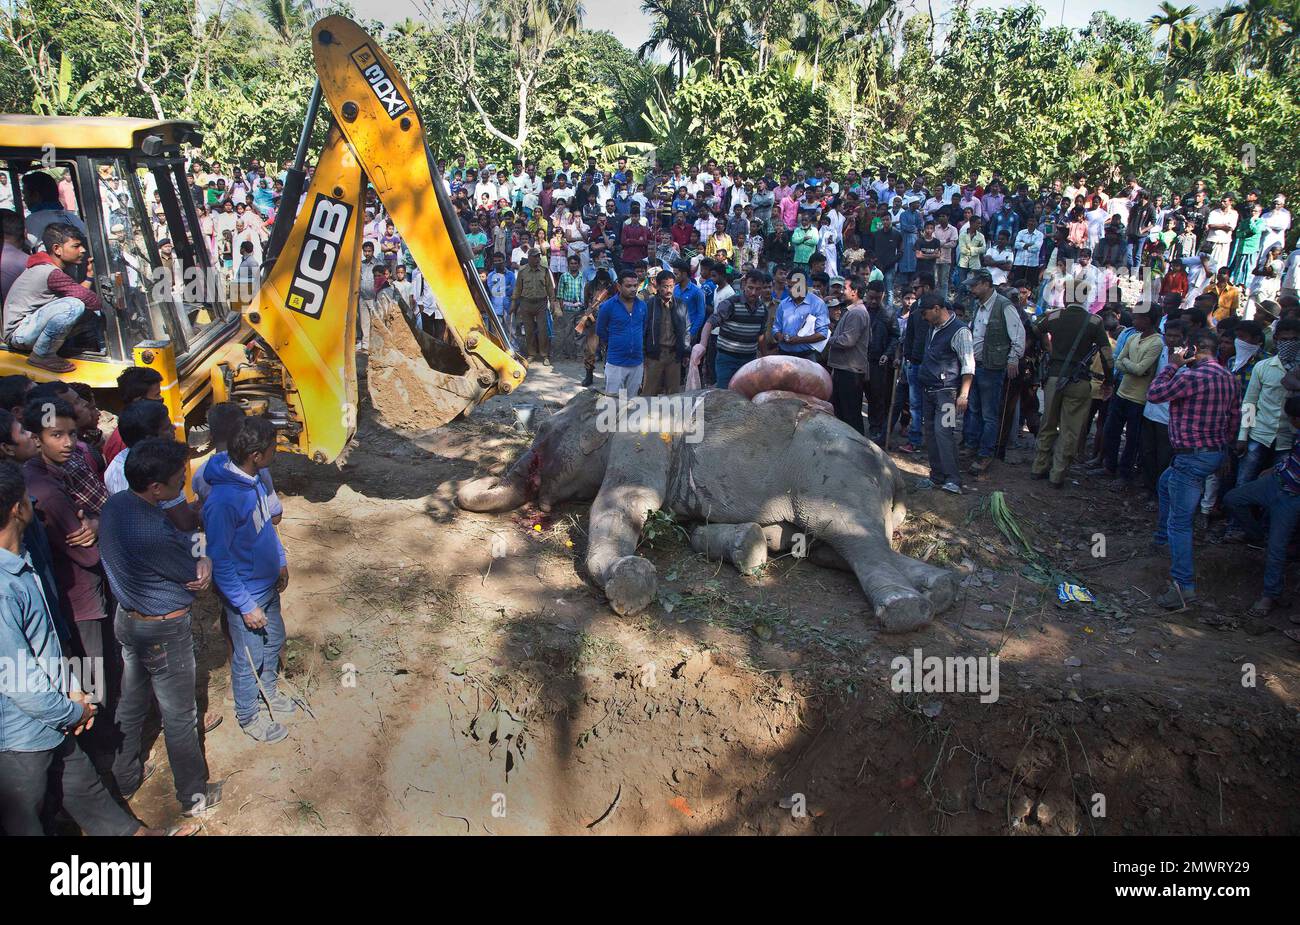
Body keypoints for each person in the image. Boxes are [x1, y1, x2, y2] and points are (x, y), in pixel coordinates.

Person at [0, 461, 196, 836]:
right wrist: (71, 710)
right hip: (20, 737)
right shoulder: (3, 588)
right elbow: (17, 678)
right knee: (25, 821)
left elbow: (40, 646)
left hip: (49, 719)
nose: (34, 504)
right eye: (28, 498)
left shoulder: (20, 562)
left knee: (85, 788)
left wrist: (71, 690)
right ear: (16, 509)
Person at [99, 438, 222, 815]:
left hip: (129, 622)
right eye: (177, 479)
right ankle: (193, 796)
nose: (182, 483)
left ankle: (125, 778)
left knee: (132, 702)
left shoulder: (118, 504)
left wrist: (192, 550)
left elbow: (181, 543)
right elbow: (192, 573)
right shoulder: (150, 529)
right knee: (180, 714)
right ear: (156, 487)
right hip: (164, 632)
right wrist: (205, 563)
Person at [203, 416, 294, 743]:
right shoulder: (224, 502)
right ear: (256, 454)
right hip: (248, 596)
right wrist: (244, 606)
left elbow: (266, 526)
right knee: (248, 657)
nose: (275, 452)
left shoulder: (253, 479)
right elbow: (220, 558)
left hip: (267, 586)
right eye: (272, 448)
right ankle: (249, 715)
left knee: (273, 639)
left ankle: (269, 692)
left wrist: (280, 561)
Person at [1146, 328, 1241, 609]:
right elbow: (1234, 419)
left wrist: (1172, 366)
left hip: (1191, 457)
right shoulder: (1228, 377)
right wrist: (1224, 453)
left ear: (1191, 350)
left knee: (1181, 522)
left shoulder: (1190, 376)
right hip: (1210, 453)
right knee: (1165, 483)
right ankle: (1162, 539)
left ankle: (1182, 586)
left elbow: (1155, 394)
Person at [1223, 396, 1300, 618]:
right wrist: (1243, 435)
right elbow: (1249, 403)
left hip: (1290, 491)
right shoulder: (1262, 368)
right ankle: (1257, 535)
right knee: (1234, 497)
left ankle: (1270, 594)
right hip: (1259, 440)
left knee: (1277, 548)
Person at [1032, 294, 1114, 488]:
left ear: (1066, 298)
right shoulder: (1094, 321)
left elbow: (1035, 328)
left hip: (1053, 378)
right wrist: (1108, 380)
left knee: (1048, 423)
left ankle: (1039, 466)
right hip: (1080, 380)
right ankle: (1057, 474)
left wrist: (1048, 347)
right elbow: (1107, 355)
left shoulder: (1054, 316)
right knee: (1070, 429)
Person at [3, 224, 105, 373]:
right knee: (73, 306)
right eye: (76, 246)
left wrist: (89, 277)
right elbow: (92, 301)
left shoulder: (49, 269)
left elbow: (81, 294)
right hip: (20, 333)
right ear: (57, 249)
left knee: (86, 311)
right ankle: (42, 355)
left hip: (27, 329)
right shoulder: (51, 273)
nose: (82, 250)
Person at [962, 270, 1025, 474]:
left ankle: (985, 453)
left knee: (989, 414)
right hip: (977, 364)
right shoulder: (979, 306)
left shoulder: (1004, 306)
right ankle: (973, 445)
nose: (971, 289)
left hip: (992, 367)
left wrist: (1013, 358)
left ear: (986, 284)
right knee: (975, 410)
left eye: (974, 285)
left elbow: (1018, 334)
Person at [914, 294, 974, 494]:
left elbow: (968, 365)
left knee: (944, 433)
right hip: (928, 391)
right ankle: (937, 476)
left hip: (947, 393)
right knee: (930, 433)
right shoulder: (933, 328)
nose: (924, 317)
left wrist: (963, 395)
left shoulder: (961, 331)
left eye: (925, 313)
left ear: (937, 308)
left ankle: (954, 480)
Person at [694, 270, 767, 389]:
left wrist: (765, 358)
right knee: (725, 393)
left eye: (758, 289)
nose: (753, 292)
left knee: (745, 393)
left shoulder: (763, 309)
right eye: (750, 288)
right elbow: (709, 323)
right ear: (744, 285)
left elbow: (761, 335)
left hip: (749, 360)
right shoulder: (730, 304)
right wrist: (702, 345)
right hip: (727, 359)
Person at [826, 276, 871, 434]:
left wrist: (828, 339)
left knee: (850, 415)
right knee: (843, 413)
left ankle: (857, 451)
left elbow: (847, 341)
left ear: (855, 292)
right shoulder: (852, 311)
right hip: (845, 368)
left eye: (845, 288)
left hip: (849, 371)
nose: (842, 291)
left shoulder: (856, 313)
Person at [595, 269, 648, 396]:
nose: (633, 289)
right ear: (619, 286)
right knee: (613, 405)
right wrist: (615, 342)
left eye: (635, 285)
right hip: (616, 363)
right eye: (628, 286)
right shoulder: (608, 306)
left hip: (637, 362)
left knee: (631, 404)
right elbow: (600, 330)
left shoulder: (642, 306)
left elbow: (644, 328)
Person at [101, 367, 163, 466]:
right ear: (139, 401)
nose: (161, 399)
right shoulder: (124, 444)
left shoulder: (147, 427)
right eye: (157, 395)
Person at [642, 270, 689, 396]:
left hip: (674, 355)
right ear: (657, 286)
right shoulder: (649, 305)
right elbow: (643, 329)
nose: (669, 290)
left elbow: (686, 329)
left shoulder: (680, 304)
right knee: (649, 392)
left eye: (671, 286)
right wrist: (644, 352)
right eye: (665, 286)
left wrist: (685, 351)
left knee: (673, 394)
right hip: (654, 355)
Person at [510, 248, 557, 365]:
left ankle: (545, 355)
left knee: (543, 330)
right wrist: (513, 304)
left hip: (541, 303)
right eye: (535, 257)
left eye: (538, 257)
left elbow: (550, 288)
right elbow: (517, 289)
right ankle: (531, 354)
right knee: (529, 330)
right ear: (529, 258)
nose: (537, 259)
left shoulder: (544, 271)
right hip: (526, 303)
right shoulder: (522, 271)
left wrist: (553, 302)